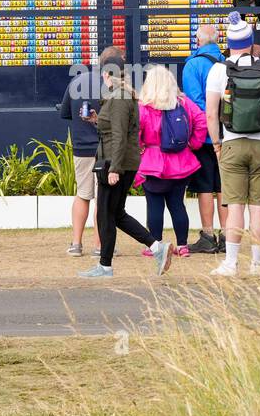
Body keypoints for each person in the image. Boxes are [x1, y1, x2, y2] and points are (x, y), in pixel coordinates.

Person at [206, 13, 260, 277]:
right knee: (258, 207)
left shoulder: (219, 70)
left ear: (230, 43)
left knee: (235, 207)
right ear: (250, 41)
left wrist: (217, 144)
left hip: (232, 143)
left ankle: (231, 263)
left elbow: (211, 112)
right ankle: (257, 265)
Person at [80, 55, 174, 278]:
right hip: (118, 160)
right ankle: (156, 248)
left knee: (106, 214)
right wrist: (96, 120)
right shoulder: (120, 95)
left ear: (106, 74)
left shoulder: (119, 97)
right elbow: (115, 129)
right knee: (116, 214)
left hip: (114, 162)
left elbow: (121, 135)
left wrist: (114, 169)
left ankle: (105, 266)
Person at [135, 65, 207, 256]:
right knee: (177, 205)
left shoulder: (144, 107)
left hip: (152, 163)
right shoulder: (183, 103)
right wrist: (193, 144)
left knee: (154, 206)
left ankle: (156, 245)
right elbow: (201, 120)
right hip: (181, 161)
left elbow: (134, 132)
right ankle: (183, 245)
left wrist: (141, 146)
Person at [59, 48, 111, 258]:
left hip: (81, 147)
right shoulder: (112, 86)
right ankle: (100, 246)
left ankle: (76, 244)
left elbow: (66, 113)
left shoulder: (76, 82)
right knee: (102, 198)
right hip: (105, 148)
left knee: (82, 194)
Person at [181, 24, 227, 252]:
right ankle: (228, 236)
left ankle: (208, 236)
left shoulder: (192, 65)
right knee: (225, 186)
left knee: (205, 186)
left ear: (197, 41)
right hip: (230, 134)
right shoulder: (229, 62)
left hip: (204, 137)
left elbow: (193, 104)